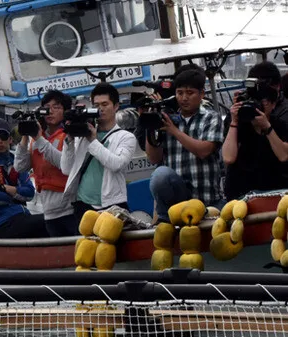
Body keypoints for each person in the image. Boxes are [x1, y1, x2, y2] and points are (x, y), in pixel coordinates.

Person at [145, 65, 224, 221]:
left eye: (190, 93)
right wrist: (150, 127)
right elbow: (154, 158)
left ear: (202, 94)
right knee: (160, 175)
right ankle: (165, 219)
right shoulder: (167, 119)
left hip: (207, 202)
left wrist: (173, 130)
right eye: (179, 93)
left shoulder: (211, 117)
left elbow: (204, 151)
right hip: (178, 204)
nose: (184, 98)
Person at [60, 82, 138, 219]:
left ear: (116, 106)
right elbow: (66, 169)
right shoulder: (83, 134)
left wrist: (93, 140)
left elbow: (116, 164)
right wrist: (70, 139)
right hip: (82, 204)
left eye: (105, 104)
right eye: (96, 105)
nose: (100, 109)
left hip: (112, 204)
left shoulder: (126, 137)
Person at [0, 118, 48, 239]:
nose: (0, 141)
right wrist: (17, 193)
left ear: (10, 139)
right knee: (48, 222)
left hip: (20, 215)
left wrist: (11, 190)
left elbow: (30, 193)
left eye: (4, 136)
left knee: (53, 221)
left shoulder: (15, 163)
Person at [15, 89, 77, 236]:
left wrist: (38, 138)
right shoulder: (38, 136)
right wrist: (25, 135)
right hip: (49, 211)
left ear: (66, 111)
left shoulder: (69, 136)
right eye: (47, 107)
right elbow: (20, 166)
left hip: (69, 208)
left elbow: (64, 165)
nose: (50, 111)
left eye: (56, 107)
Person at [222, 82, 288, 200]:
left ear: (273, 104)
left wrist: (267, 127)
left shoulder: (280, 125)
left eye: (263, 102)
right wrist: (234, 122)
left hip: (273, 192)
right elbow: (228, 158)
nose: (256, 106)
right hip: (240, 194)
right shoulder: (237, 125)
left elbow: (283, 155)